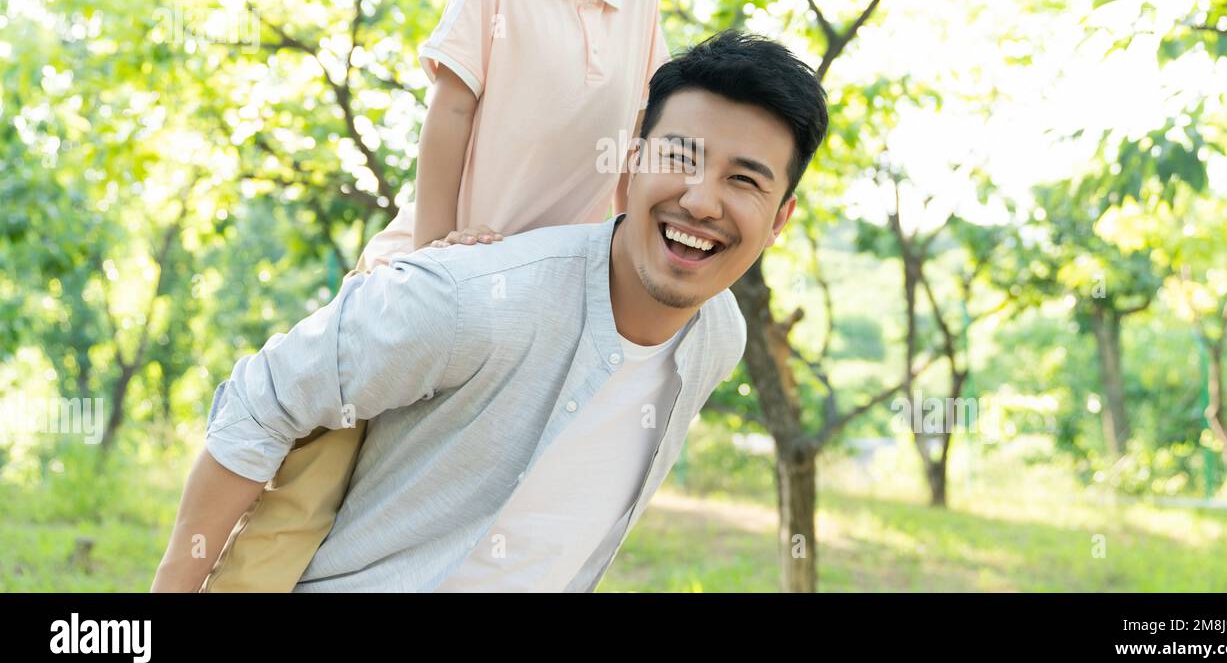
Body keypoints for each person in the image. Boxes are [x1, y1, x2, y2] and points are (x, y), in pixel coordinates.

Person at [151, 30, 829, 592]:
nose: (702, 201)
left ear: (780, 219)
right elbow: (262, 396)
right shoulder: (472, 299)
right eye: (680, 158)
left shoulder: (718, 337)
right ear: (627, 165)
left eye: (744, 180)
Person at [186, 0, 670, 590]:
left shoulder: (639, 3)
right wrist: (434, 246)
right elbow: (450, 110)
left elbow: (642, 140)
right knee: (312, 480)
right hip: (442, 262)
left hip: (540, 299)